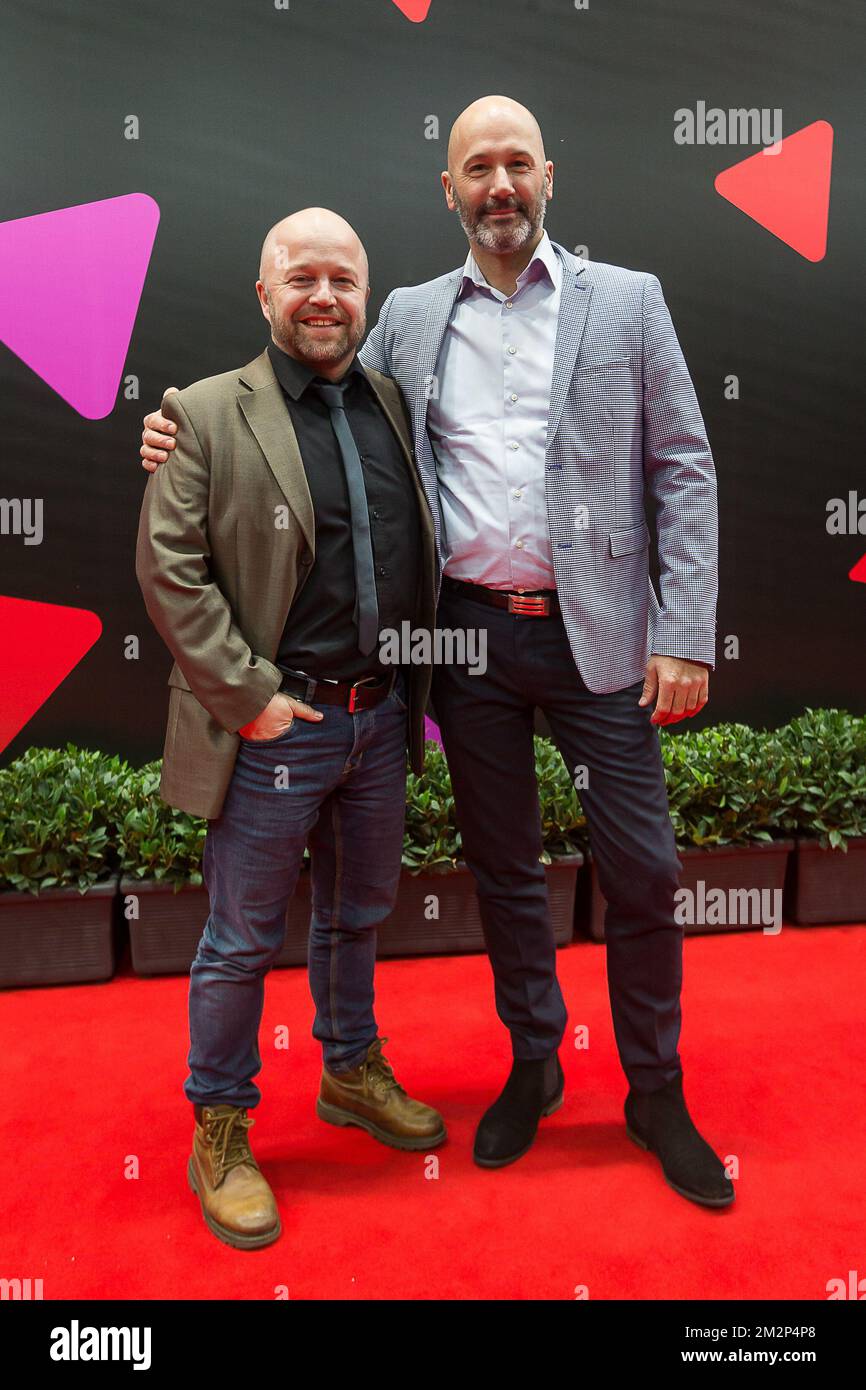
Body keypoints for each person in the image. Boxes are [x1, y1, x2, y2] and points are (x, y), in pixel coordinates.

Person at [140, 97, 734, 1208]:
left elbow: (684, 469)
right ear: (447, 191)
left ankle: (654, 1088)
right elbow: (290, 395)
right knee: (505, 872)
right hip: (464, 644)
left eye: (516, 164)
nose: (498, 184)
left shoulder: (629, 305)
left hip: (600, 637)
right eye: (477, 168)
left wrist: (684, 629)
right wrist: (175, 428)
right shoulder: (405, 318)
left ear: (546, 176)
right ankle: (533, 1062)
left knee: (646, 871)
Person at [135, 208, 444, 1251]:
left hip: (379, 723)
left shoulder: (398, 403)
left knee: (357, 916)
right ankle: (218, 1127)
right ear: (263, 295)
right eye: (300, 277)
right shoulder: (205, 412)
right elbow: (167, 570)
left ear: (366, 295)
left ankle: (349, 1068)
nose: (324, 295)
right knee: (237, 942)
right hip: (277, 725)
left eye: (343, 278)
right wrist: (247, 696)